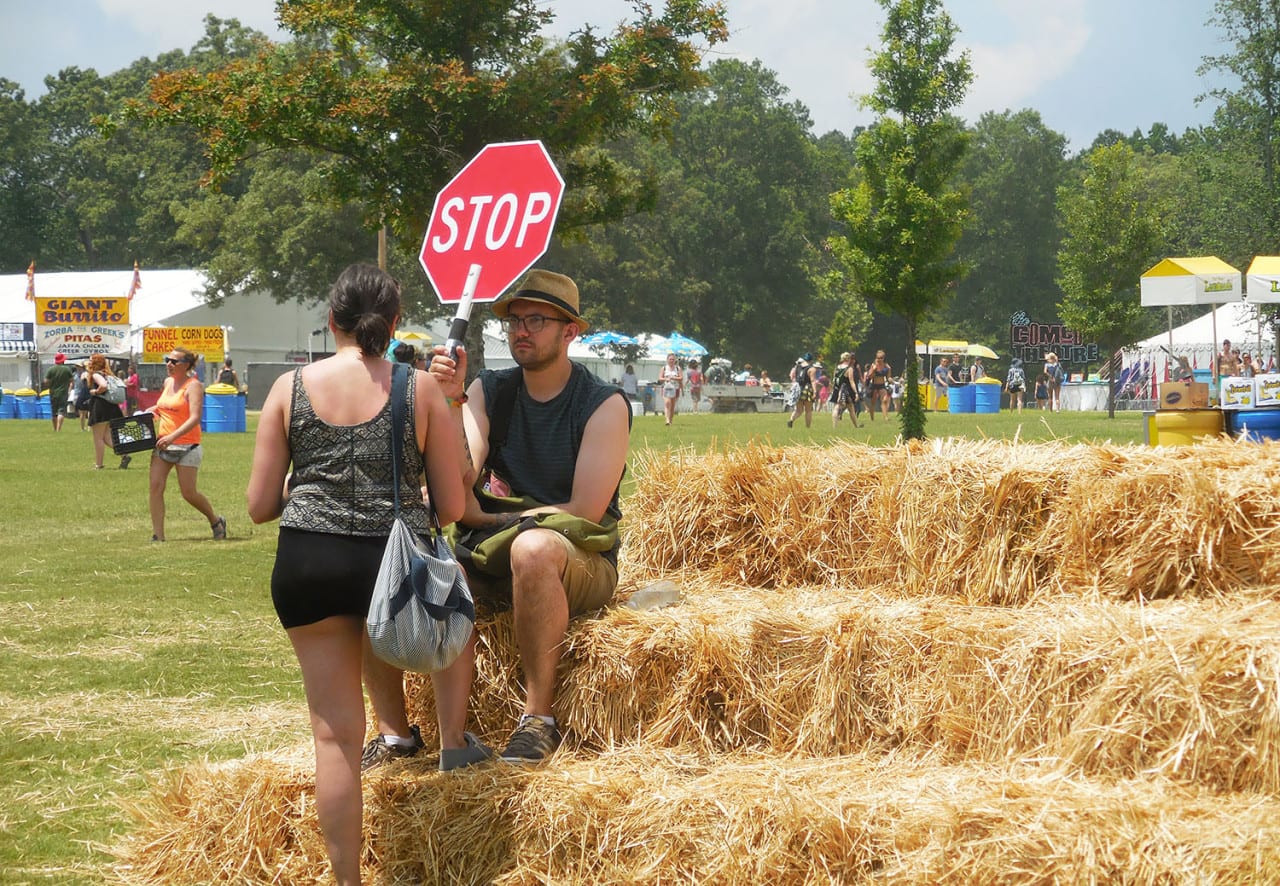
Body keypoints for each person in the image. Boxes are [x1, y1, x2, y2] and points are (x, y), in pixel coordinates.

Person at [247, 264, 466, 886]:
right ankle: (453, 742)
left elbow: (259, 506)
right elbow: (451, 506)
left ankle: (347, 880)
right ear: (394, 324)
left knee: (336, 738)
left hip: (308, 563)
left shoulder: (288, 388)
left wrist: (305, 487)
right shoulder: (418, 389)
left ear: (331, 319)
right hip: (390, 565)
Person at [425, 268, 631, 767]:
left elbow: (585, 510)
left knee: (532, 549)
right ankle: (442, 740)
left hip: (579, 560)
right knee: (425, 568)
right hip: (492, 554)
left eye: (536, 320)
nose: (521, 331)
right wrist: (450, 401)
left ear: (570, 332)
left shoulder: (602, 404)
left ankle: (539, 722)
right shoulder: (488, 390)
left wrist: (491, 519)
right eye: (515, 320)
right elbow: (462, 479)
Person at [142, 346, 226, 540]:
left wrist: (172, 437)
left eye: (174, 361)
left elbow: (195, 418)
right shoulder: (168, 382)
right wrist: (151, 411)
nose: (169, 364)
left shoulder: (193, 386)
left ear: (186, 365)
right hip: (163, 445)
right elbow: (165, 406)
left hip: (188, 446)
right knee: (155, 487)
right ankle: (158, 536)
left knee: (189, 493)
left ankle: (215, 521)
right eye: (167, 360)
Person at [85, 354, 125, 469]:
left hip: (100, 408)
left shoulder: (96, 374)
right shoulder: (108, 375)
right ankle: (124, 454)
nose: (89, 362)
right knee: (107, 437)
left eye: (90, 360)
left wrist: (96, 392)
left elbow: (103, 385)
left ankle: (99, 464)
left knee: (98, 438)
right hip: (110, 408)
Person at [787, 353, 817, 428]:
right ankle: (808, 427)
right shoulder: (812, 369)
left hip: (798, 389)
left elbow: (793, 376)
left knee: (799, 410)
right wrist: (815, 391)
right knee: (808, 410)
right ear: (811, 360)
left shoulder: (797, 367)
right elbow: (813, 381)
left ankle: (791, 420)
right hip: (807, 389)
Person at [44, 353, 73, 432]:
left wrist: (51, 385)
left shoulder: (51, 369)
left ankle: (54, 428)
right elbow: (71, 381)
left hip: (53, 393)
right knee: (61, 411)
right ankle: (58, 429)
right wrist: (69, 389)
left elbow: (46, 381)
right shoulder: (67, 369)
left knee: (54, 412)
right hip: (63, 393)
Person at [831, 352, 860, 428]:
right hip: (846, 390)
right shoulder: (849, 369)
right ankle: (856, 426)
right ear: (848, 359)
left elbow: (834, 379)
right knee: (851, 408)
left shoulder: (837, 367)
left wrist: (833, 389)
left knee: (836, 407)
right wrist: (856, 392)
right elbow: (851, 381)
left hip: (837, 389)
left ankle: (834, 426)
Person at [865, 350, 892, 419]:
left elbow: (888, 377)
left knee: (884, 401)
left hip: (882, 385)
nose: (879, 359)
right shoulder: (873, 365)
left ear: (884, 358)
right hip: (874, 385)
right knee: (873, 403)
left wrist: (891, 379)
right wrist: (874, 370)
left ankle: (886, 417)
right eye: (878, 358)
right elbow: (869, 376)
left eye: (881, 358)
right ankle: (872, 418)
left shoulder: (886, 366)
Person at [658, 353, 683, 426]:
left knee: (672, 405)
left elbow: (681, 378)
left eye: (673, 359)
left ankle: (670, 420)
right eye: (670, 359)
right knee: (667, 403)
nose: (671, 361)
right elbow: (660, 378)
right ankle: (667, 420)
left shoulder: (678, 368)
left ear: (675, 360)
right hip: (666, 387)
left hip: (675, 388)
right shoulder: (664, 368)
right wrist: (666, 379)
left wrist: (674, 378)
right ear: (667, 360)